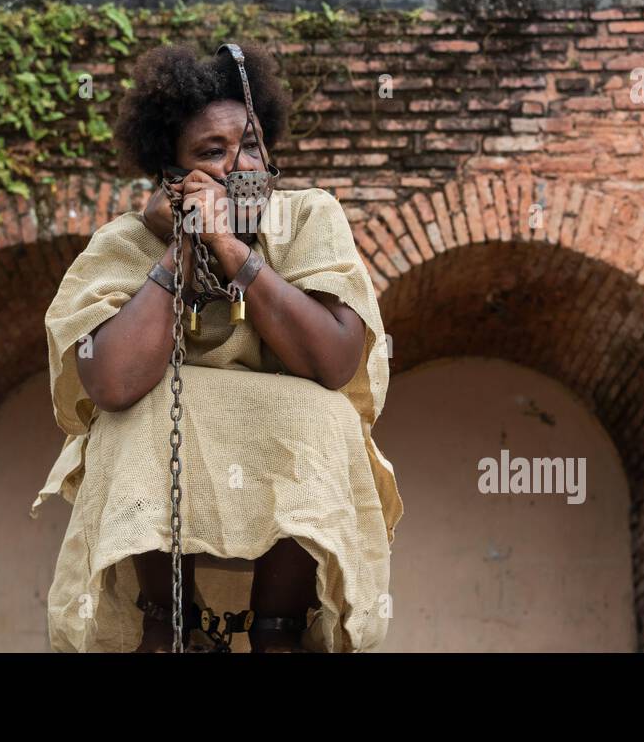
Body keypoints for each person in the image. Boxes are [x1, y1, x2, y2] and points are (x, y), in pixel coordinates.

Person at [30, 41, 402, 652]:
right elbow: (112, 383)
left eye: (251, 144)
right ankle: (168, 624)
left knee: (323, 414)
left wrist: (231, 251)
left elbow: (336, 362)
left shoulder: (309, 216)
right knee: (134, 416)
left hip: (284, 446)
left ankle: (275, 629)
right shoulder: (127, 241)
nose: (241, 165)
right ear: (172, 171)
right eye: (213, 152)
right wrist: (181, 248)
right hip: (172, 459)